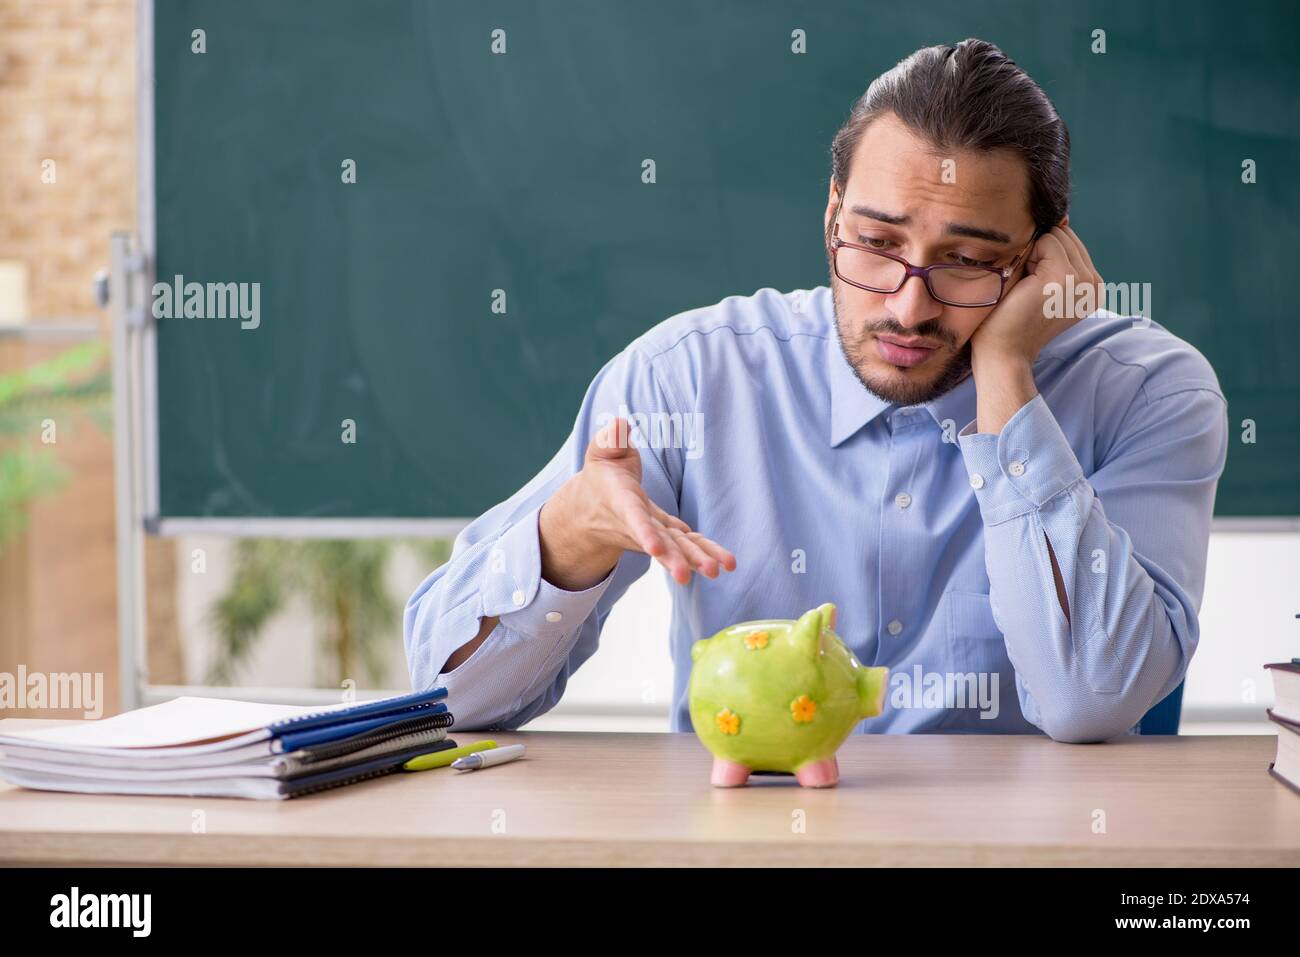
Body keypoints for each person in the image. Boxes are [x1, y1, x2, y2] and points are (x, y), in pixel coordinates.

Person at [404, 39, 1228, 741]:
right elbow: (447, 700)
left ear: (1042, 259)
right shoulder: (688, 377)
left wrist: (1007, 373)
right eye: (876, 242)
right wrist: (571, 533)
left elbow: (1093, 697)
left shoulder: (1148, 394)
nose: (910, 304)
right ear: (832, 216)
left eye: (969, 261)